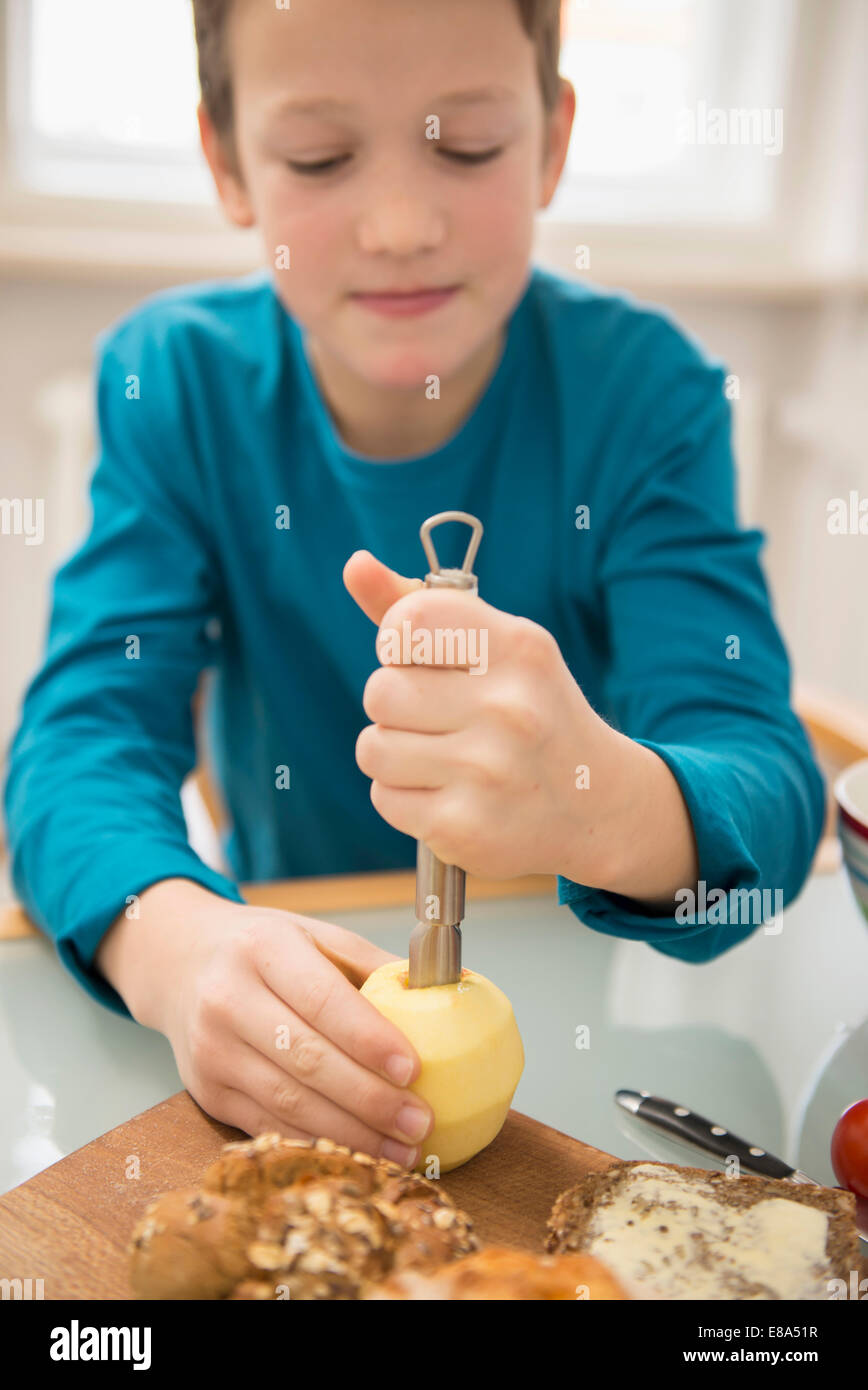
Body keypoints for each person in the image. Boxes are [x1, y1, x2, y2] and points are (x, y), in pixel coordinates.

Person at [3, 0, 824, 1170]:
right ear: (227, 164)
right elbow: (77, 741)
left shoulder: (646, 393)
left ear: (552, 140)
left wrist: (598, 798)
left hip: (585, 1029)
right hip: (302, 1001)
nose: (397, 224)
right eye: (320, 159)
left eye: (468, 145)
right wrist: (173, 943)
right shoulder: (173, 379)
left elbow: (766, 796)